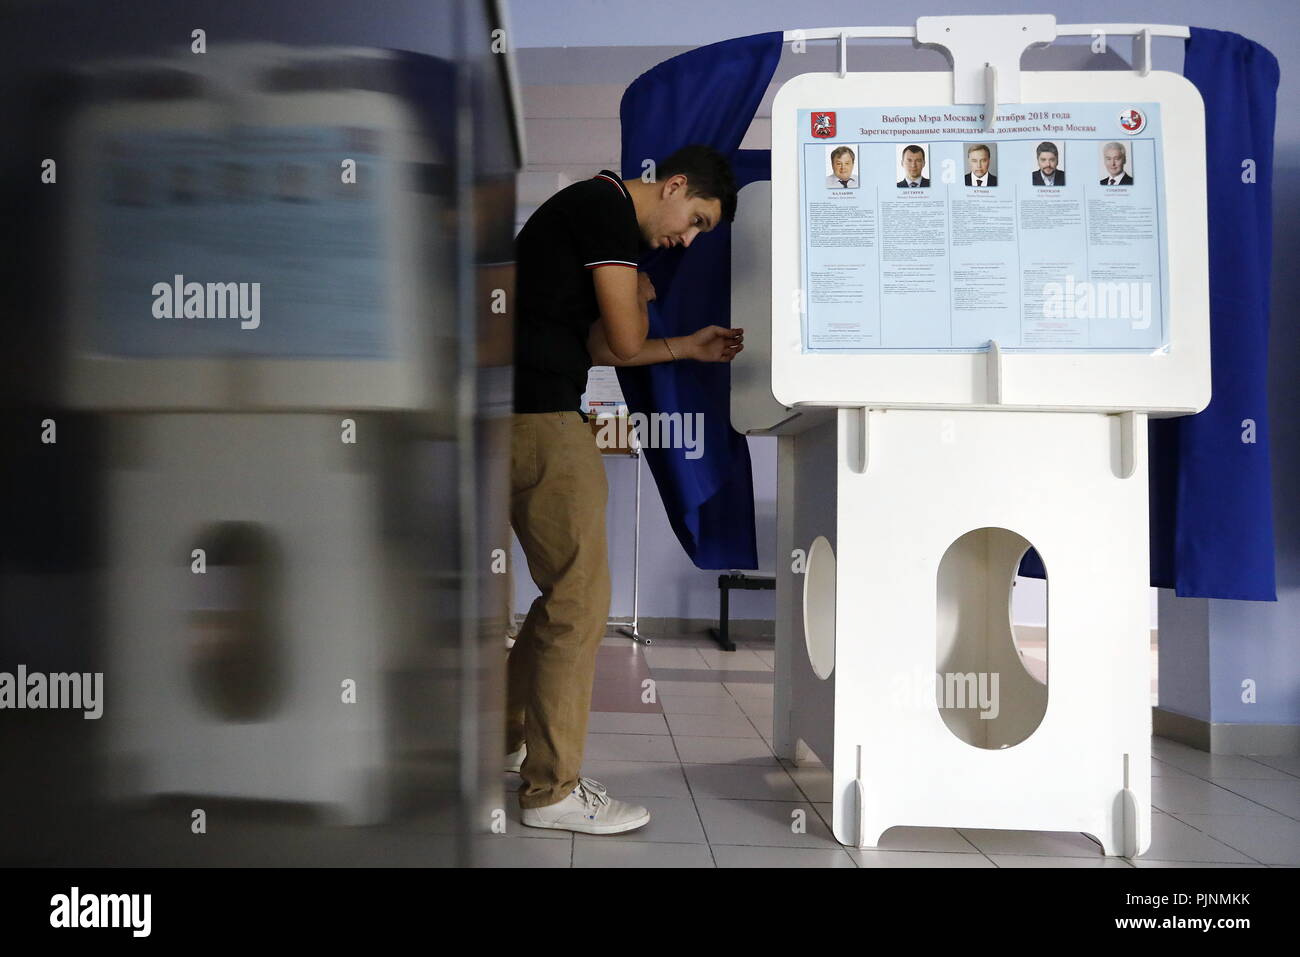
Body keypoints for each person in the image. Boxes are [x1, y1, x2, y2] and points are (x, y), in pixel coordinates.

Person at [508, 145, 744, 834]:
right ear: (672, 185)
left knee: (564, 597)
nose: (688, 237)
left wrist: (687, 346)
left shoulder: (588, 215)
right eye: (695, 217)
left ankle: (503, 736)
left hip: (523, 411)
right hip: (543, 420)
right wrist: (638, 292)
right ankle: (552, 791)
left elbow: (609, 348)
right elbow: (622, 329)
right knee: (581, 601)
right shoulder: (604, 208)